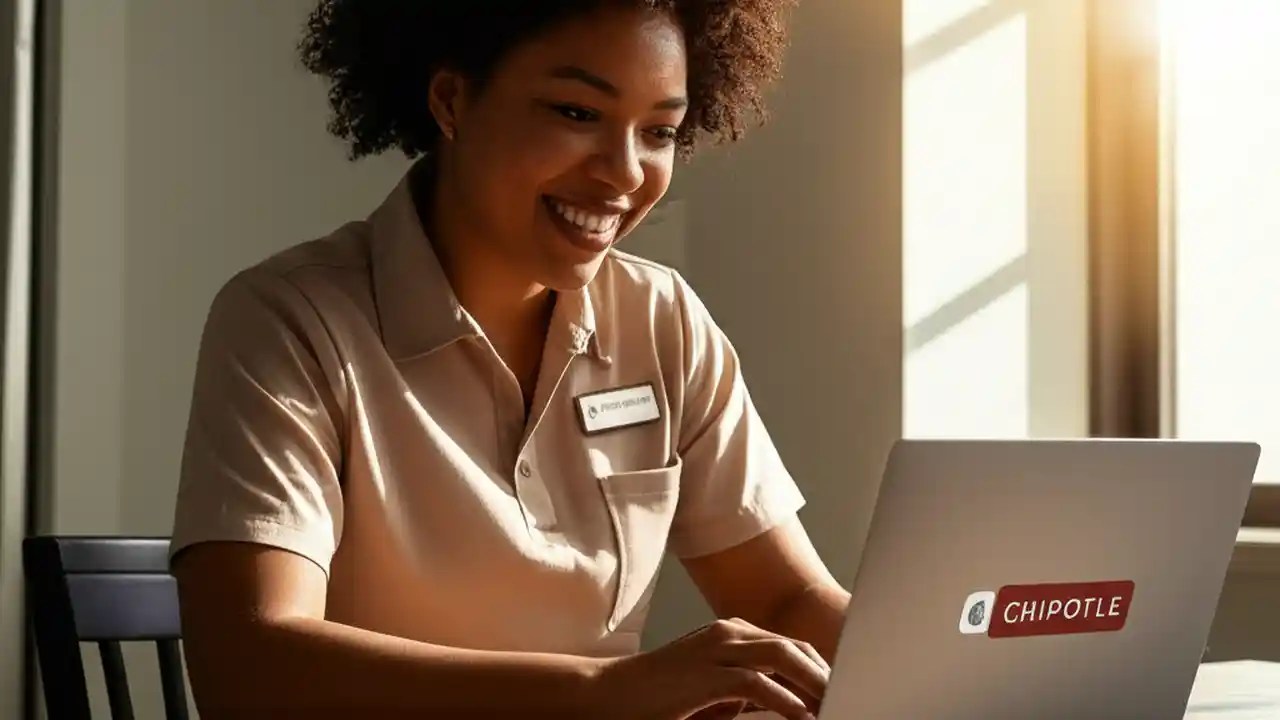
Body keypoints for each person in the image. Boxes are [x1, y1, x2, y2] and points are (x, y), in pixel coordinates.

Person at [169, 1, 850, 717]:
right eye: (577, 113)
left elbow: (786, 598)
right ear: (452, 100)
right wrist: (606, 694)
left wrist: (947, 673)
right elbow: (247, 667)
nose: (624, 173)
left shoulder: (663, 321)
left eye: (658, 132)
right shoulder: (291, 321)